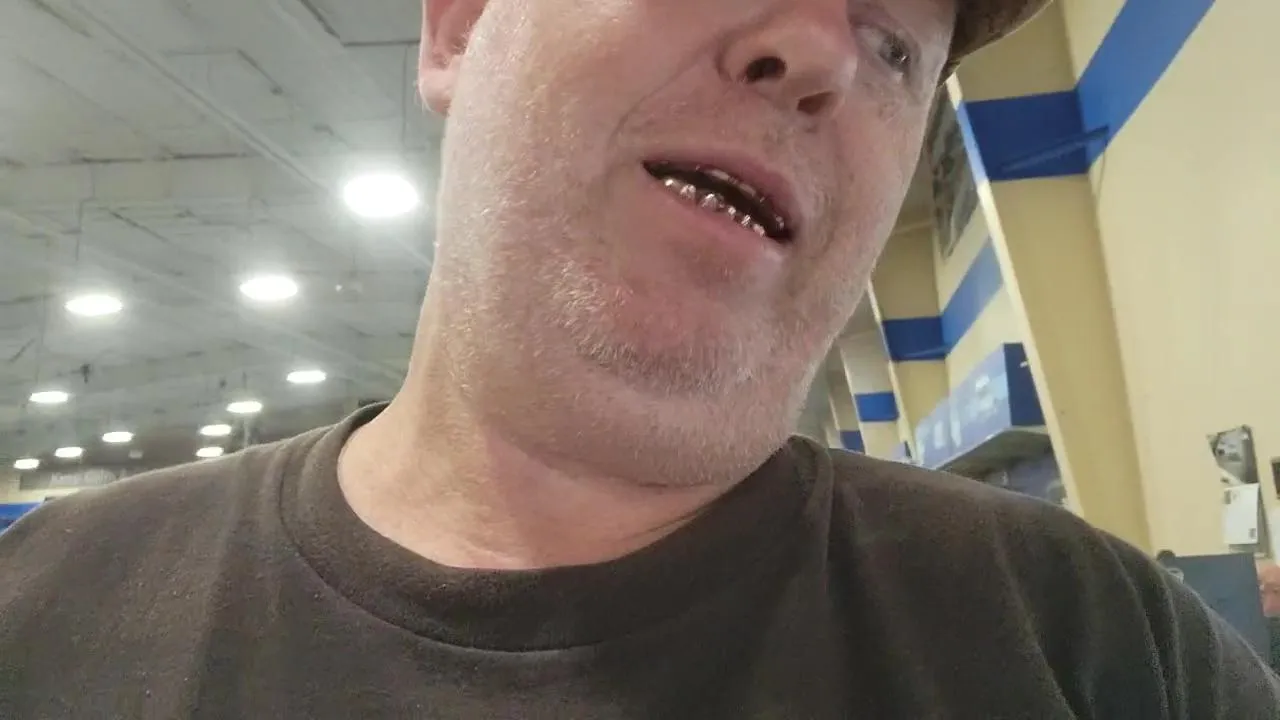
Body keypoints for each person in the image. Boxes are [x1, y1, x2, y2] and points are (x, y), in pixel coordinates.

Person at [1, 0, 1277, 716]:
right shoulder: (45, 616)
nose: (823, 54)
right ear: (459, 26)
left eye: (894, 43)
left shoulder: (1089, 643)